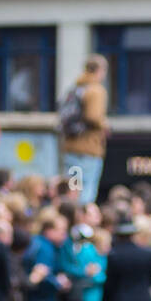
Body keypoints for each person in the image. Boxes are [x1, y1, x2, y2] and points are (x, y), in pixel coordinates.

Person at [59, 55, 110, 206]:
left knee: (73, 188)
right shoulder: (96, 90)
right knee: (87, 190)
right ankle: (82, 220)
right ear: (101, 71)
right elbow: (93, 116)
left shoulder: (76, 88)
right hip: (88, 149)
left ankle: (71, 216)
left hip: (71, 148)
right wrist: (104, 124)